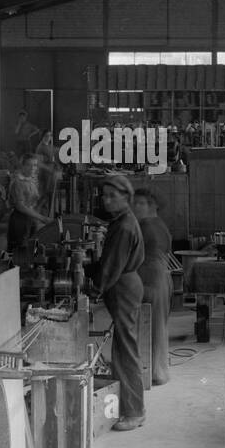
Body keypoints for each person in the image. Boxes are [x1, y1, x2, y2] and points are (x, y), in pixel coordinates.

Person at [87, 174, 146, 431]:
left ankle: (134, 412)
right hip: (125, 285)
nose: (106, 199)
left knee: (125, 352)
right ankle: (130, 407)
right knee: (123, 349)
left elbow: (111, 267)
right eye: (104, 194)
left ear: (126, 198)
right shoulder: (122, 220)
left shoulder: (123, 226)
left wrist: (93, 288)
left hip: (122, 287)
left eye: (113, 195)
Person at [132, 188, 173, 387]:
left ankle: (152, 370)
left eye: (140, 204)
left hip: (149, 276)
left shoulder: (146, 226)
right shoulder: (159, 224)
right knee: (157, 325)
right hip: (161, 277)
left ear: (150, 206)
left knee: (150, 325)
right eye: (134, 203)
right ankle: (157, 370)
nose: (135, 207)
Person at [6, 154, 50, 253]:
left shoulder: (32, 180)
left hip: (31, 217)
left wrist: (42, 201)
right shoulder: (17, 182)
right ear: (22, 166)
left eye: (35, 165)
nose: (32, 168)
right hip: (20, 219)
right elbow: (20, 206)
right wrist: (42, 218)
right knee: (19, 250)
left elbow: (34, 200)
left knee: (31, 248)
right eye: (29, 165)